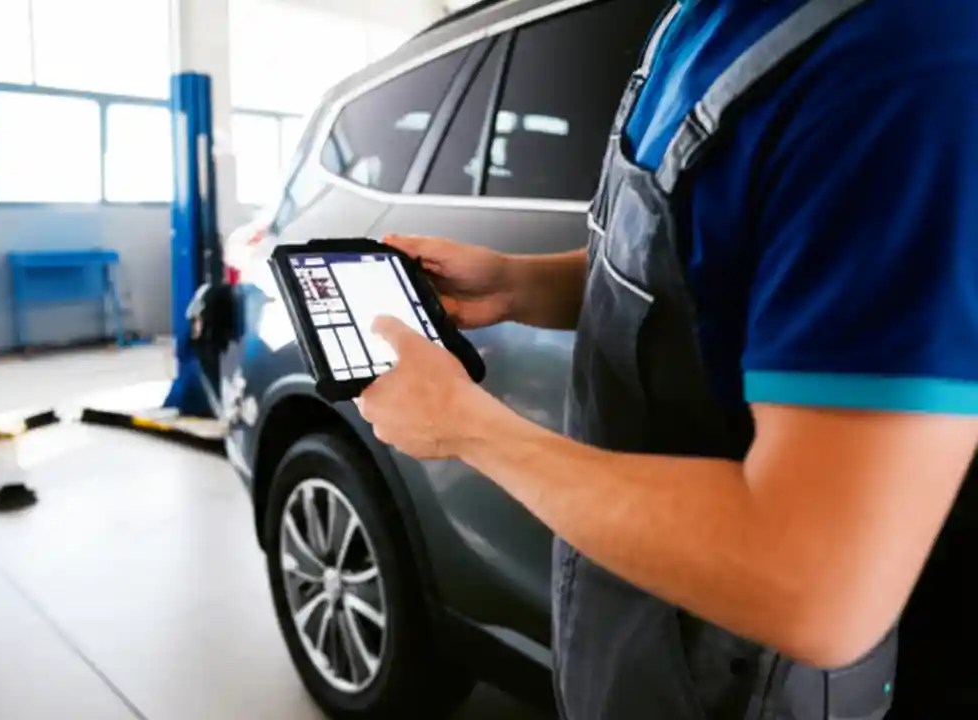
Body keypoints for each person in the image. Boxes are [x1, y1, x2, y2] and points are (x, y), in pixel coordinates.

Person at [356, 0, 978, 717]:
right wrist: (518, 284)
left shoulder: (904, 57)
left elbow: (820, 584)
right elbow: (700, 267)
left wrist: (472, 430)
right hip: (626, 648)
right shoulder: (691, 21)